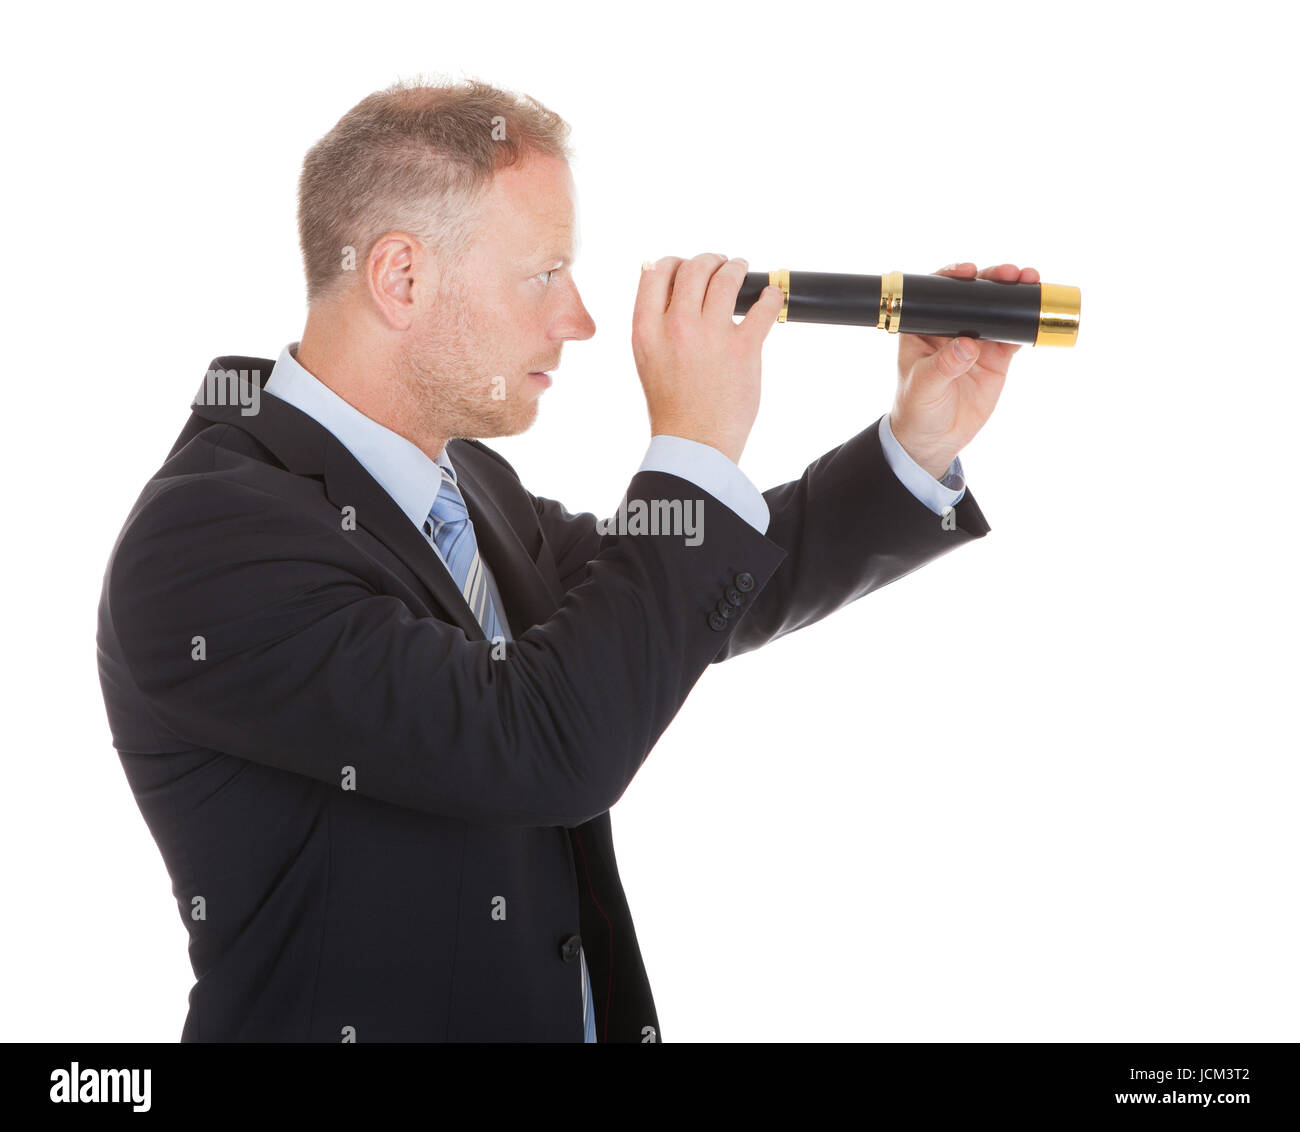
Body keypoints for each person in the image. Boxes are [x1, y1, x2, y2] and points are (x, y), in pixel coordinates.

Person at [95, 77, 1035, 1042]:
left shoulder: (468, 489)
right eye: (544, 273)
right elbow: (539, 746)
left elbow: (675, 595)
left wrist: (913, 447)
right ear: (401, 278)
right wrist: (695, 447)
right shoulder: (208, 540)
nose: (579, 319)